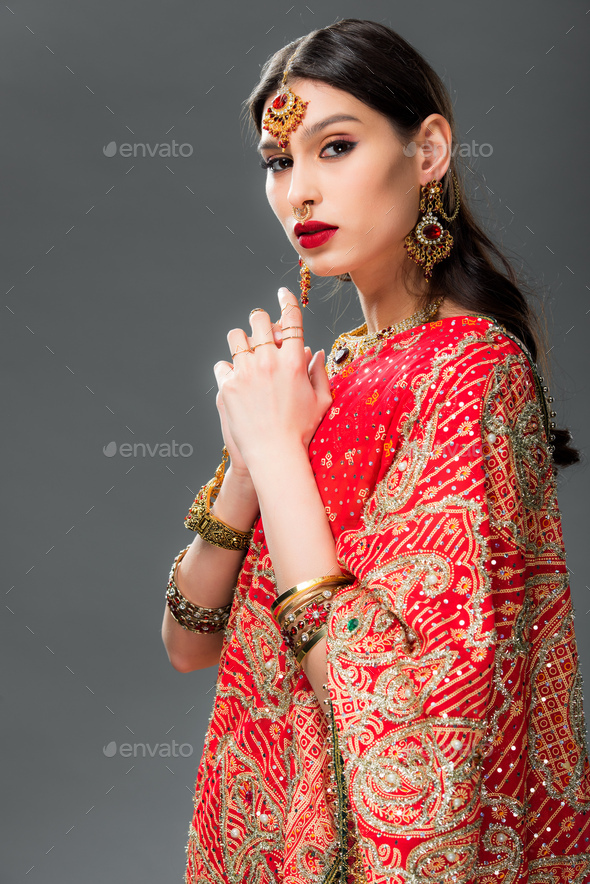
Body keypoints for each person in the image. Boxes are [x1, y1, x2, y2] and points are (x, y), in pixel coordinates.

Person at [161, 19, 590, 884]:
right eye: (279, 163)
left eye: (336, 147)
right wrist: (249, 464)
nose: (299, 194)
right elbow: (189, 642)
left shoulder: (478, 370)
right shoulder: (334, 371)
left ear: (427, 150)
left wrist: (280, 451)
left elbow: (400, 720)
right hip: (276, 832)